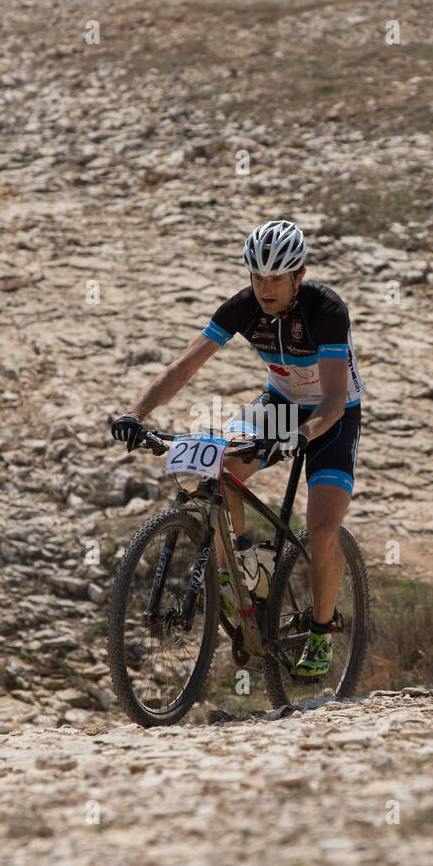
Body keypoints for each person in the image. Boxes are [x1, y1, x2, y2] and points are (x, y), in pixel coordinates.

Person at [111, 220, 364, 677]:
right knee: (219, 468)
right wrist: (136, 413)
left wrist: (303, 435)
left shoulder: (326, 309)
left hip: (333, 416)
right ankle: (239, 578)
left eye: (276, 278)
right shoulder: (244, 307)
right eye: (257, 277)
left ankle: (322, 633)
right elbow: (183, 366)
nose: (265, 288)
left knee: (324, 530)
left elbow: (330, 399)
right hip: (279, 405)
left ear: (298, 275)